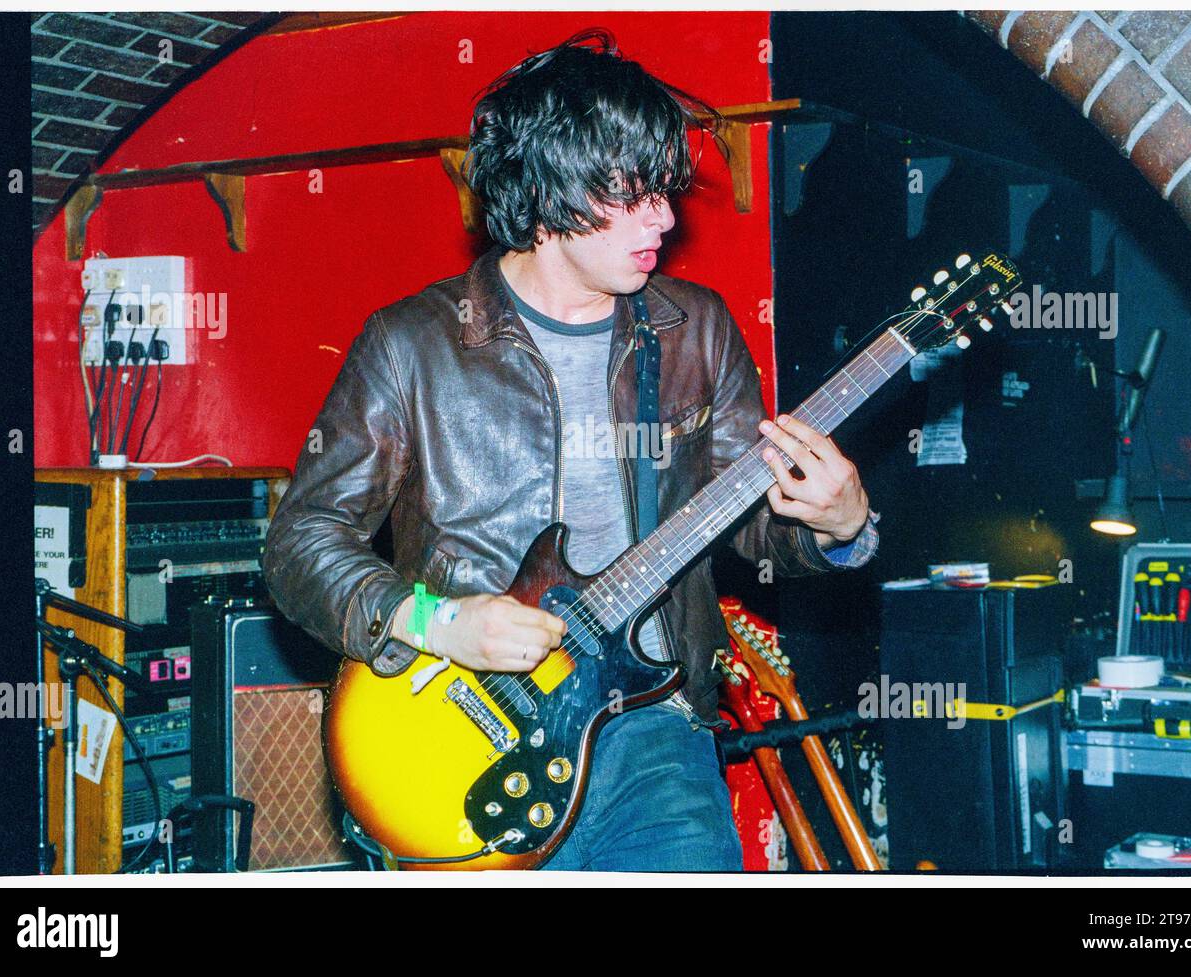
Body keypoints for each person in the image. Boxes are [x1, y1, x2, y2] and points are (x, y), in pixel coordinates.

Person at [261, 28, 879, 872]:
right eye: (634, 192)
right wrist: (440, 623)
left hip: (654, 731)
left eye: (666, 189)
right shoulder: (413, 344)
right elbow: (299, 541)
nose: (664, 217)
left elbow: (749, 524)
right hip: (463, 739)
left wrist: (838, 524)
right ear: (548, 193)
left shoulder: (695, 330)